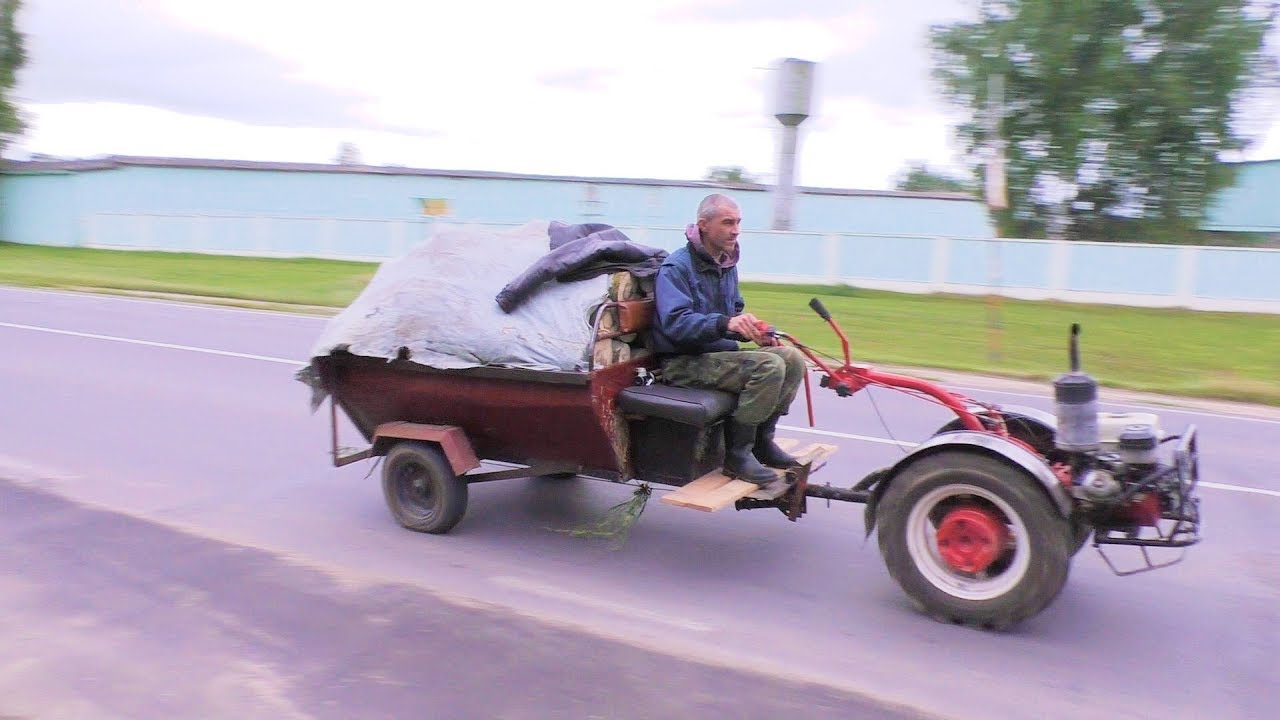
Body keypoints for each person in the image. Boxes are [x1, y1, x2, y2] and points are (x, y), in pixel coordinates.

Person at [651, 193, 807, 485]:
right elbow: (676, 325)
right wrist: (726, 324)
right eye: (727, 223)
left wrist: (757, 331)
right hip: (683, 361)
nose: (735, 230)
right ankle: (737, 454)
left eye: (738, 223)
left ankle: (762, 440)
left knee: (792, 359)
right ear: (704, 225)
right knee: (768, 367)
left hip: (715, 355)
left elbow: (733, 312)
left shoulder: (725, 264)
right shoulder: (677, 268)